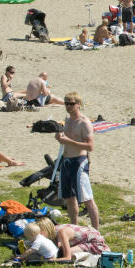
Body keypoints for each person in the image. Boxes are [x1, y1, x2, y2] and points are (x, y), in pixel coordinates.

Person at [57, 92, 100, 231]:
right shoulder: (67, 121)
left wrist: (68, 141)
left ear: (78, 104)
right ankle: (75, 228)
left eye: (71, 103)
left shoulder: (84, 122)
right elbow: (66, 141)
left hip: (79, 161)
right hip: (66, 161)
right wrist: (60, 138)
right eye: (66, 103)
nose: (68, 106)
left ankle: (96, 232)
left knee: (87, 198)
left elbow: (90, 146)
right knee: (69, 197)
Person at [34, 216, 110, 259]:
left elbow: (67, 258)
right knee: (58, 250)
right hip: (83, 241)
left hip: (95, 243)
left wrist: (52, 260)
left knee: (63, 254)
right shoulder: (54, 232)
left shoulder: (62, 232)